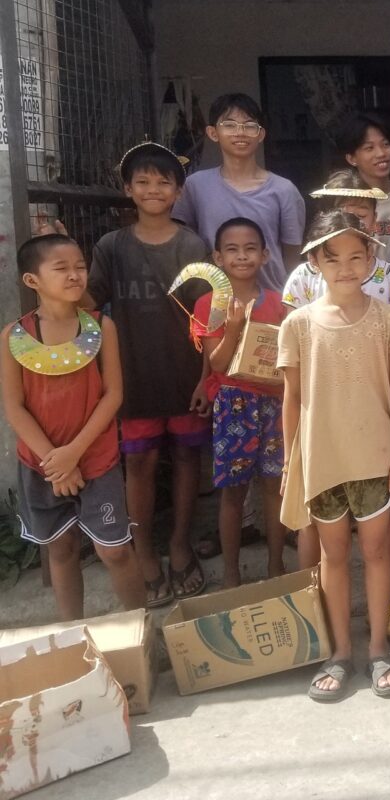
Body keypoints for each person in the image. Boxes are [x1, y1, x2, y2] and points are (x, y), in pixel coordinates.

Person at [278, 211, 390, 701]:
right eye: (332, 258)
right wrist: (292, 463)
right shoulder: (297, 324)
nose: (345, 267)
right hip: (322, 460)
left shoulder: (388, 318)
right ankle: (340, 652)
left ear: (371, 259)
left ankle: (379, 650)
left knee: (377, 553)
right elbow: (291, 399)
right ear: (314, 262)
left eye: (356, 256)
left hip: (376, 457)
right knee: (332, 557)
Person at [87, 142, 209, 608]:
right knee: (138, 465)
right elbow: (89, 303)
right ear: (127, 189)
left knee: (187, 459)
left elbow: (208, 317)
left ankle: (179, 545)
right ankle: (143, 553)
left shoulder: (192, 245)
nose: (153, 189)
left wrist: (206, 376)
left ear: (178, 191)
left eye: (163, 181)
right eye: (143, 181)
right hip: (132, 377)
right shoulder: (111, 246)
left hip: (185, 374)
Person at [2, 235, 145, 619]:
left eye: (80, 266)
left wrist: (74, 454)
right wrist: (56, 462)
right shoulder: (15, 336)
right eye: (61, 268)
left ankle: (140, 626)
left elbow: (113, 395)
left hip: (97, 460)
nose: (75, 275)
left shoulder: (101, 326)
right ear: (32, 280)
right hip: (42, 465)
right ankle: (73, 634)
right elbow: (14, 407)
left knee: (115, 551)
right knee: (61, 549)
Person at [193, 217, 288, 589]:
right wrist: (233, 327)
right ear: (218, 257)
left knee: (274, 487)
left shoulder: (280, 303)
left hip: (275, 402)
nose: (242, 256)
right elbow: (217, 363)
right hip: (233, 403)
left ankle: (276, 566)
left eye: (250, 249)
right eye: (232, 250)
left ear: (265, 255)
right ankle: (231, 575)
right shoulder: (208, 304)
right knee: (232, 491)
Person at [174, 92, 306, 291]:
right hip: (213, 300)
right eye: (229, 125)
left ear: (261, 134)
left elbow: (292, 258)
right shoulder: (195, 186)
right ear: (212, 133)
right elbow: (183, 244)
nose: (240, 132)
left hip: (271, 300)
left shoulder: (284, 190)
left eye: (249, 125)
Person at [284, 171, 390, 313]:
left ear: (374, 219)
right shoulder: (303, 277)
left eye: (361, 215)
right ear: (323, 218)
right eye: (342, 215)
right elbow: (294, 325)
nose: (351, 223)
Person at [335, 112, 390, 259]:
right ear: (351, 158)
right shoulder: (344, 203)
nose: (381, 153)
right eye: (369, 148)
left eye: (385, 144)